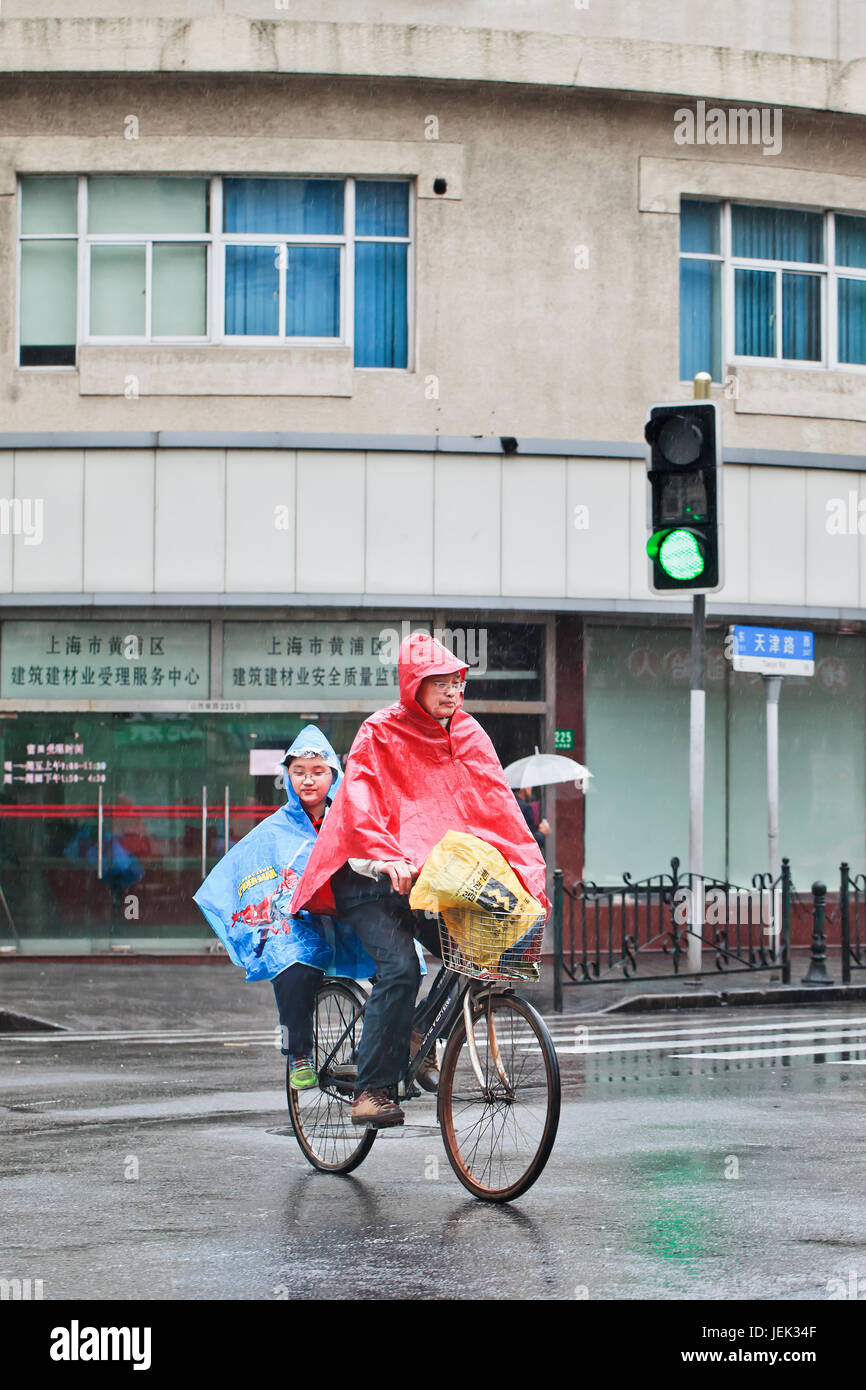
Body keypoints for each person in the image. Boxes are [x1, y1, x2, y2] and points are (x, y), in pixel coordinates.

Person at [292, 632, 550, 1129]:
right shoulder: (379, 732)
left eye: (457, 683)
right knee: (400, 969)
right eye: (440, 683)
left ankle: (416, 1032)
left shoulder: (469, 735)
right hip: (367, 879)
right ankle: (370, 1090)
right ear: (414, 685)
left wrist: (527, 879)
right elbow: (360, 807)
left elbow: (496, 810)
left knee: (476, 953)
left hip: (429, 881)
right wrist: (387, 858)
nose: (453, 693)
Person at [193, 726, 375, 1091]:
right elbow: (249, 875)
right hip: (298, 920)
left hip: (351, 913)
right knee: (292, 960)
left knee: (405, 963)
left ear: (333, 775)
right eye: (299, 772)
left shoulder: (351, 819)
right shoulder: (273, 830)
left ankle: (378, 1051)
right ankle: (299, 1052)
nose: (308, 780)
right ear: (287, 776)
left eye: (318, 771)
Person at [514, 785, 551, 851]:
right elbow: (527, 842)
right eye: (529, 785)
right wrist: (542, 833)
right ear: (524, 787)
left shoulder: (506, 803)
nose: (532, 788)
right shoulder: (525, 808)